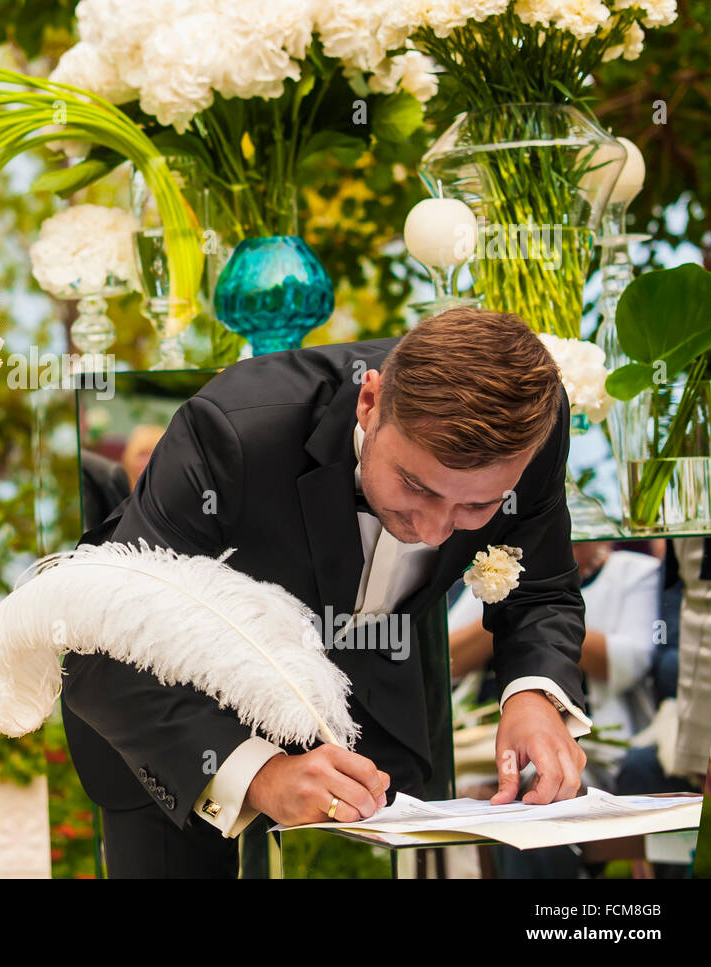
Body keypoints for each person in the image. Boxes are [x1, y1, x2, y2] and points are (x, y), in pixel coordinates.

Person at [61, 310, 592, 878]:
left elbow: (540, 585)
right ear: (370, 402)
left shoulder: (535, 421)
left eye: (477, 507)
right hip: (180, 730)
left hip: (373, 721)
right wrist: (259, 775)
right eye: (416, 486)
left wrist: (534, 695)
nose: (437, 532)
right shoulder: (233, 430)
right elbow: (101, 649)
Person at [450, 540, 662, 791]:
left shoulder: (633, 571)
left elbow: (628, 663)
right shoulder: (505, 569)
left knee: (561, 789)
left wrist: (539, 615)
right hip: (484, 738)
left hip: (588, 740)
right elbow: (448, 657)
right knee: (484, 793)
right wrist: (516, 608)